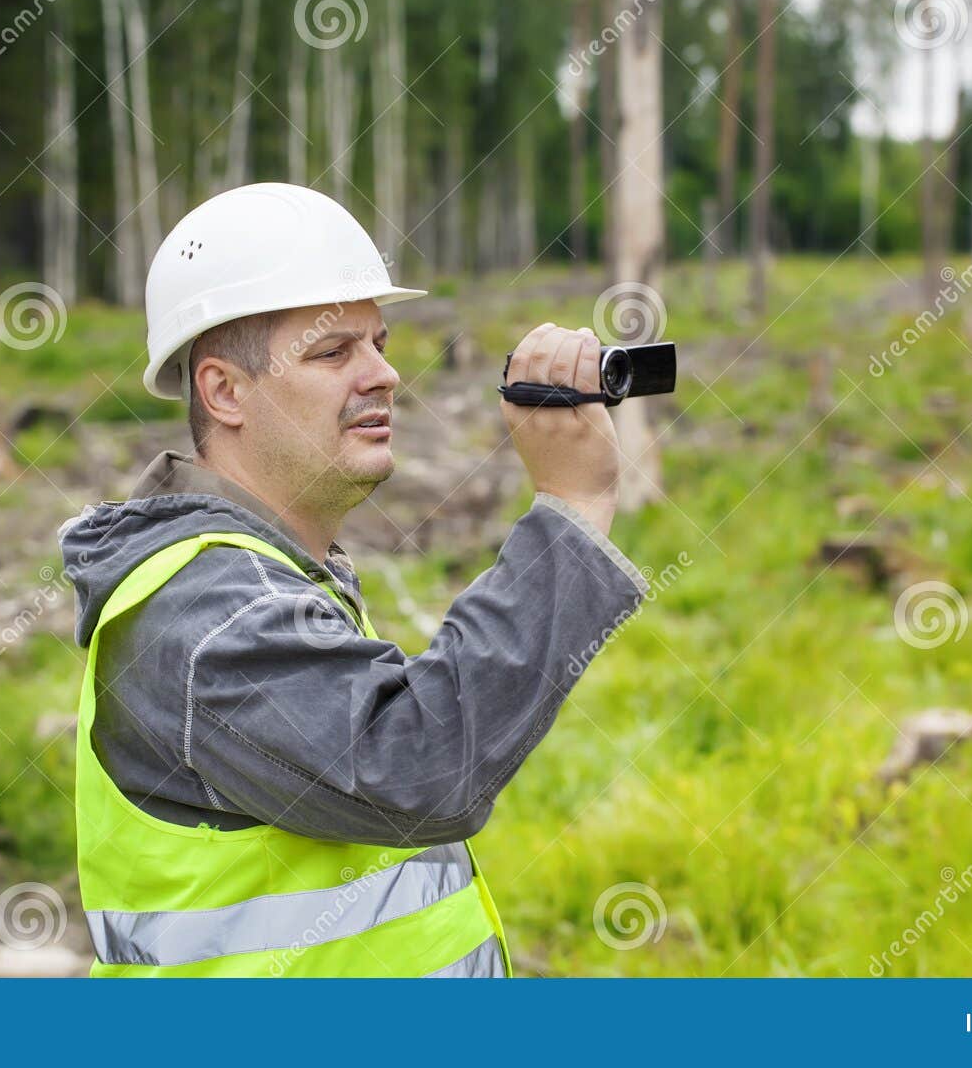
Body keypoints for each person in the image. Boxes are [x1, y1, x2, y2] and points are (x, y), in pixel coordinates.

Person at [59, 183, 649, 977]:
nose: (384, 376)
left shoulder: (269, 577)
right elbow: (418, 769)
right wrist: (570, 510)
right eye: (333, 352)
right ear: (224, 391)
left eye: (378, 342)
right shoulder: (207, 615)